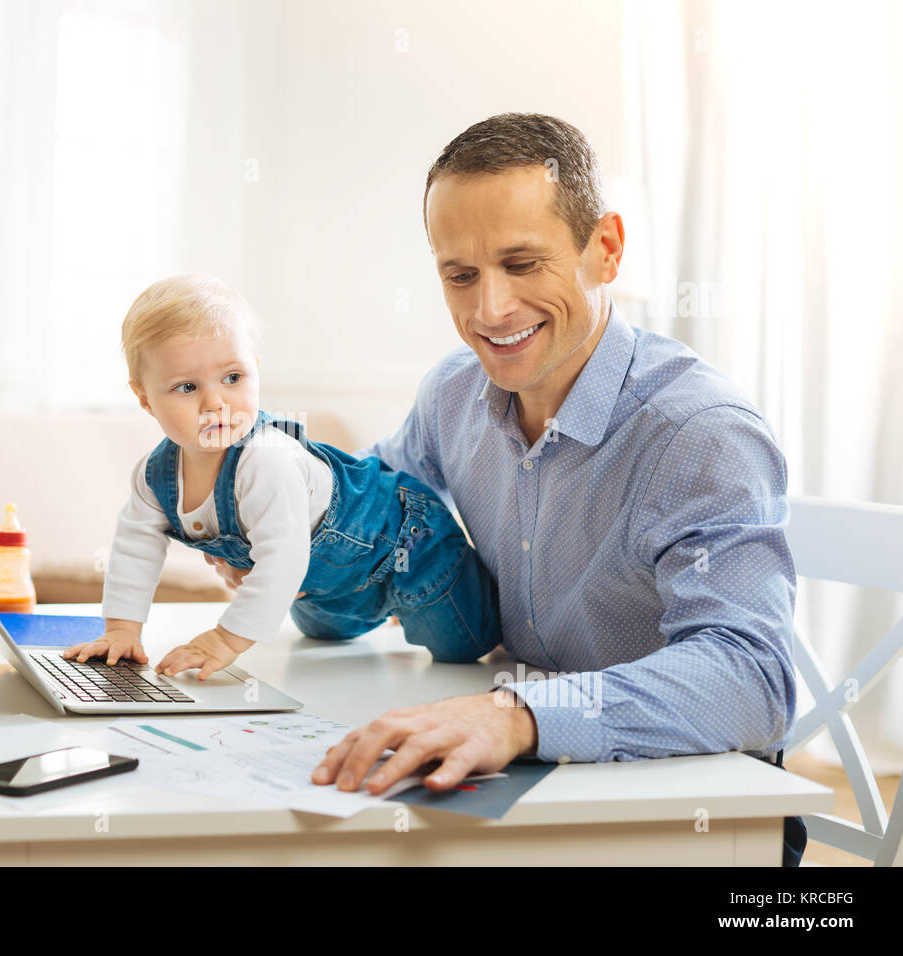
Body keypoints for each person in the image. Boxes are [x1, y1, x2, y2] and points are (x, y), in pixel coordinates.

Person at [205, 113, 806, 866]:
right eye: (460, 275)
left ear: (605, 249)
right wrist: (291, 540)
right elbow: (373, 526)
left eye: (523, 264)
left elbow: (750, 679)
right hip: (531, 789)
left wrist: (518, 715)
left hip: (693, 815)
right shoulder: (453, 395)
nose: (489, 310)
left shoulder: (700, 434)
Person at [62, 273, 502, 678]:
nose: (215, 402)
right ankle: (377, 609)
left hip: (407, 541)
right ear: (144, 399)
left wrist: (224, 640)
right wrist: (122, 630)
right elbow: (135, 547)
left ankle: (490, 599)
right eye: (187, 387)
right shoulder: (155, 477)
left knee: (461, 649)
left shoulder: (265, 461)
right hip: (324, 584)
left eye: (232, 377)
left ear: (254, 368)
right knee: (321, 633)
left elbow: (282, 560)